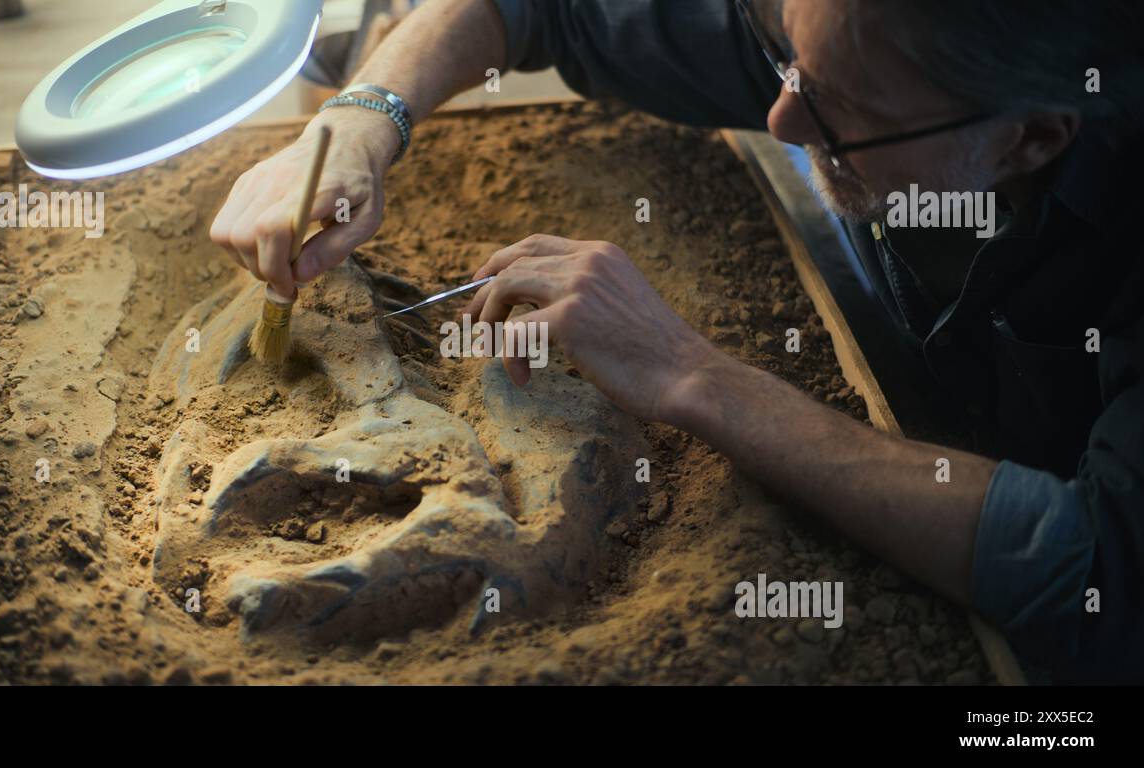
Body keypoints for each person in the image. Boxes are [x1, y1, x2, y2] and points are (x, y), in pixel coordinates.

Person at [209, 0, 1144, 683]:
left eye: (839, 112)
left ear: (1032, 140)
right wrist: (363, 122)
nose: (779, 120)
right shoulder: (855, 40)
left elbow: (1101, 569)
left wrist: (690, 371)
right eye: (785, 63)